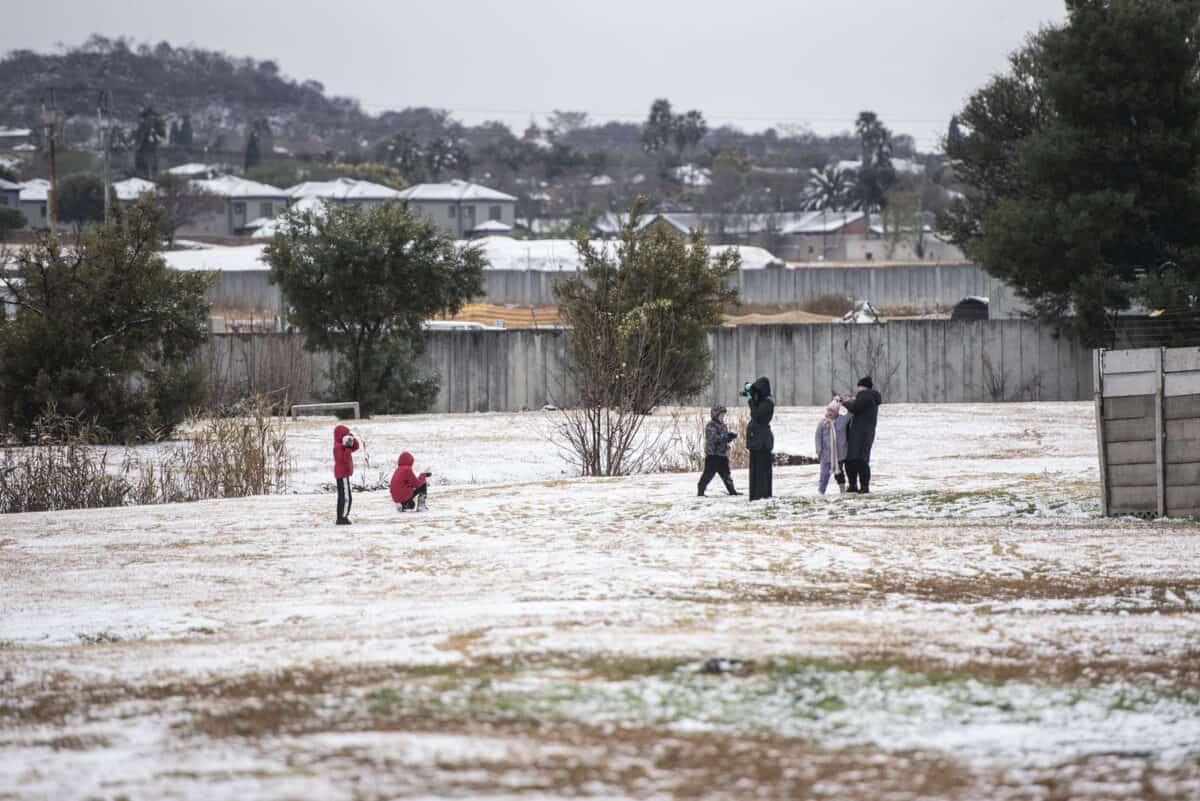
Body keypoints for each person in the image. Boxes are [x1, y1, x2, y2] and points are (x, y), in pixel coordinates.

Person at [841, 376, 883, 493]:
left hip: (859, 434)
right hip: (865, 434)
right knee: (859, 460)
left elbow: (855, 408)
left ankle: (856, 486)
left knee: (855, 461)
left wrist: (844, 402)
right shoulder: (870, 397)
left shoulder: (865, 395)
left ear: (862, 387)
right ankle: (862, 486)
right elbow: (858, 407)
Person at [697, 405, 740, 497]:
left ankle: (732, 491)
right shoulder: (710, 425)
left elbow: (723, 439)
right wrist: (726, 437)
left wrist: (730, 437)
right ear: (715, 415)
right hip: (713, 455)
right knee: (708, 474)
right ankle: (700, 491)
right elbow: (714, 439)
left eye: (724, 415)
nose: (722, 417)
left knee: (726, 474)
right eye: (721, 415)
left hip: (722, 454)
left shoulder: (724, 426)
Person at [745, 376, 775, 501]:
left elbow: (757, 415)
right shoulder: (762, 402)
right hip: (756, 442)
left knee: (762, 470)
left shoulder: (767, 403)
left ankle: (762, 493)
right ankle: (755, 494)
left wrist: (751, 401)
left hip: (762, 442)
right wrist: (750, 393)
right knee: (755, 470)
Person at [815, 398, 850, 494]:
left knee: (839, 473)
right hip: (826, 454)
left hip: (839, 453)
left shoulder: (842, 420)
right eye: (829, 410)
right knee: (824, 474)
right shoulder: (823, 422)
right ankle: (821, 491)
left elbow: (851, 413)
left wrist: (845, 402)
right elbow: (818, 436)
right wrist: (818, 448)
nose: (830, 413)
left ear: (837, 412)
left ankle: (842, 489)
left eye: (832, 411)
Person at [332, 424, 359, 524]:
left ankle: (341, 516)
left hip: (344, 474)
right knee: (346, 497)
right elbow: (344, 459)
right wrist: (347, 447)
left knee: (343, 496)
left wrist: (352, 439)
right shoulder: (338, 447)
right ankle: (343, 517)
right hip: (342, 475)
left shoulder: (342, 445)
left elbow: (356, 447)